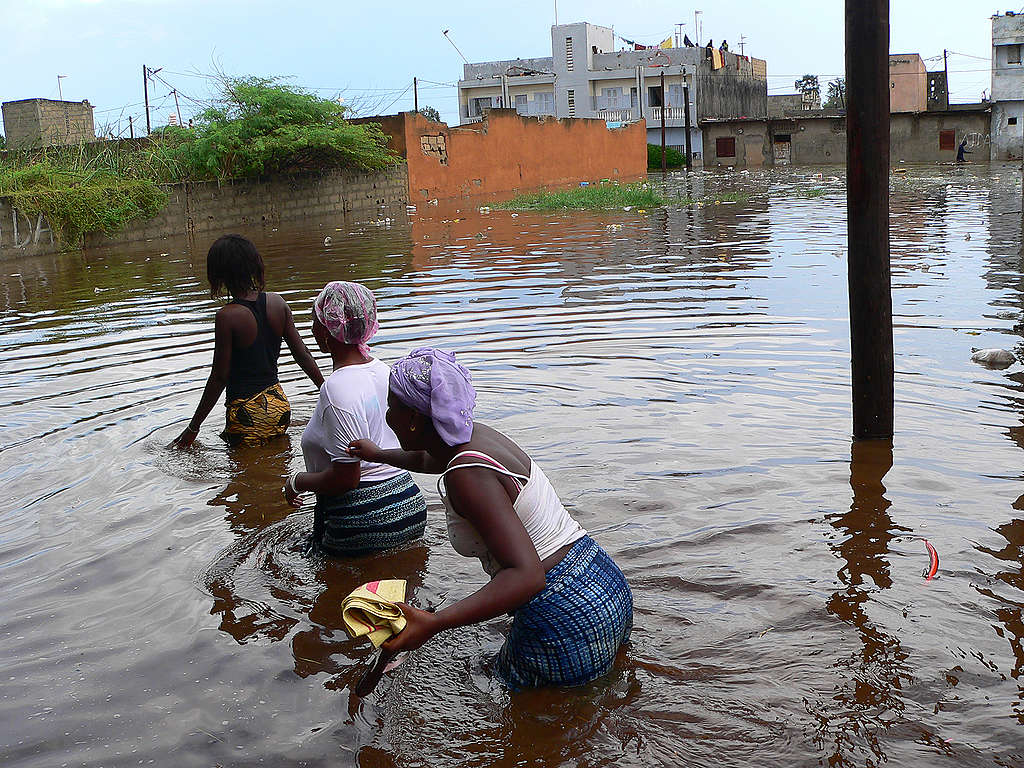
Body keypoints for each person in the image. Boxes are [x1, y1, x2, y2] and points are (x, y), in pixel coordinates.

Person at [347, 348, 633, 689]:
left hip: (562, 611)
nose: (388, 415)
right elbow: (430, 458)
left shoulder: (466, 475)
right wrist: (378, 454)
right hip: (602, 582)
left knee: (527, 726)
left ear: (412, 418)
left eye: (392, 406)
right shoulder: (475, 437)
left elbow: (528, 577)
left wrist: (433, 623)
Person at [284, 282, 427, 556]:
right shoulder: (384, 371)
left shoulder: (337, 389)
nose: (312, 329)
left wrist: (296, 482)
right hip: (409, 504)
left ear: (327, 331)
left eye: (315, 321)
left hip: (361, 515)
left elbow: (346, 478)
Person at [172, 234, 323, 448]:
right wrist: (327, 392)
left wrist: (193, 427)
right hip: (279, 406)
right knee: (277, 468)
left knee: (243, 477)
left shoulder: (227, 316)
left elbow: (219, 377)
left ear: (220, 275)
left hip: (246, 413)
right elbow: (303, 355)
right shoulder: (277, 303)